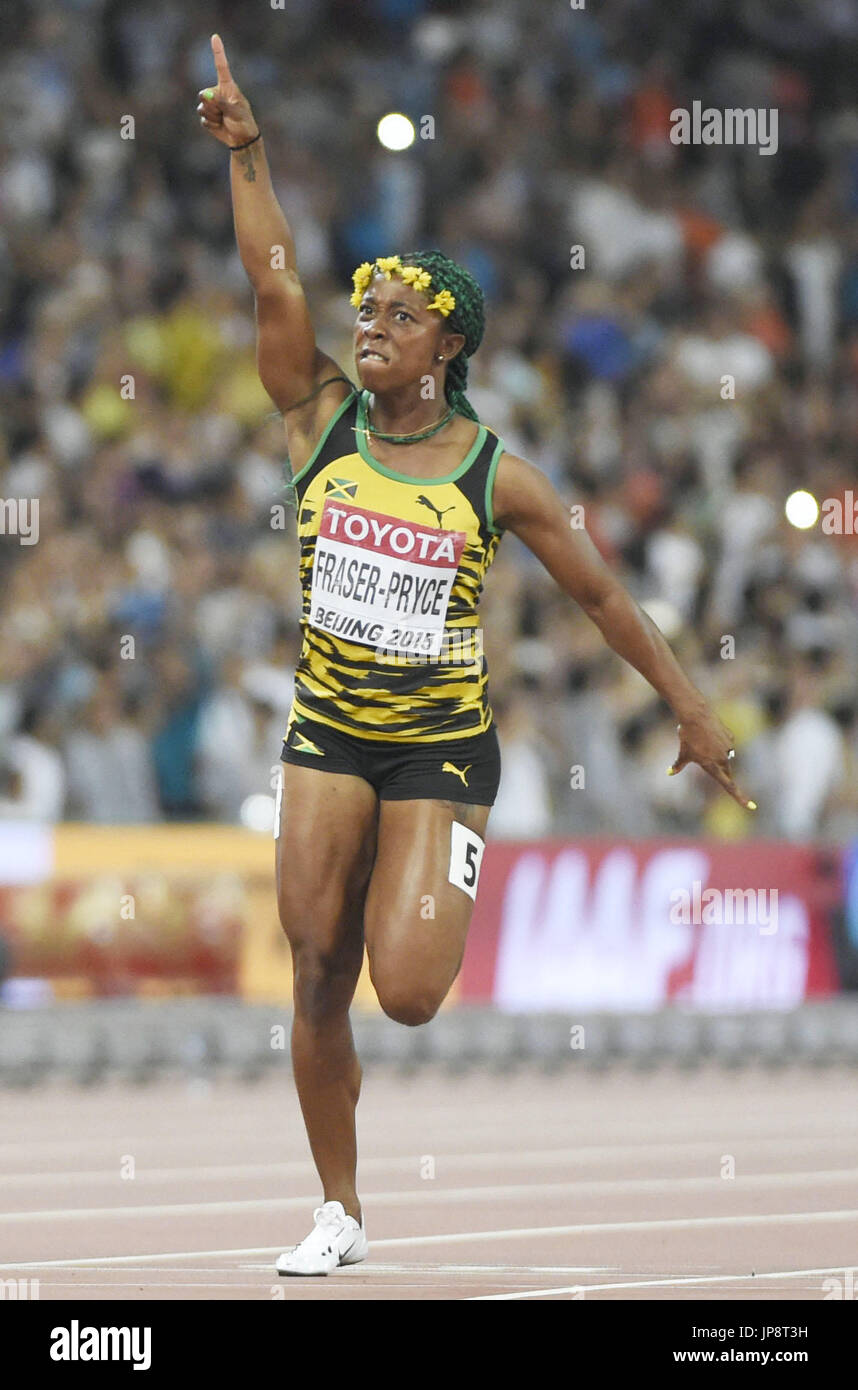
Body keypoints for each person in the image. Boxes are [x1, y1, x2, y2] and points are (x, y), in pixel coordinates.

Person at [197, 34, 755, 1277]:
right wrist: (250, 153)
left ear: (449, 344)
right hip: (329, 730)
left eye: (399, 315)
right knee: (315, 963)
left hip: (443, 748)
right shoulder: (316, 419)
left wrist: (694, 709)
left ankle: (434, 869)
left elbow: (607, 600)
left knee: (406, 990)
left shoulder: (503, 475)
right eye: (371, 312)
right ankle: (338, 1205)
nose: (372, 325)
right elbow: (273, 282)